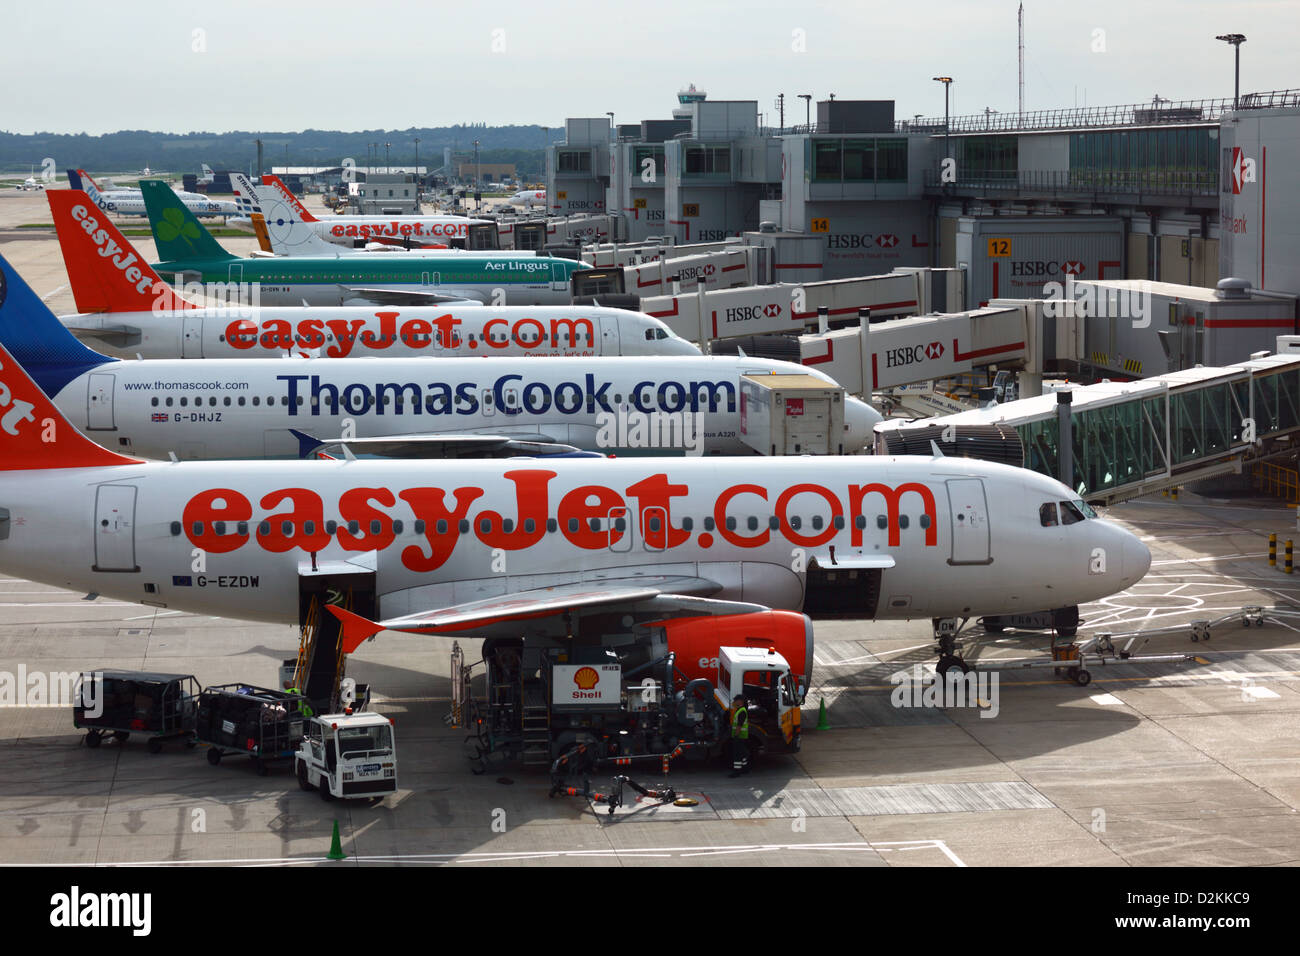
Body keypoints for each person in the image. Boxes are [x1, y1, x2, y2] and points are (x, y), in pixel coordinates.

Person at [729, 695, 749, 777]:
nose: (734, 702)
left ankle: (737, 772)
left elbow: (739, 725)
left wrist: (736, 736)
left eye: (735, 700)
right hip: (741, 736)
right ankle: (745, 768)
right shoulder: (740, 710)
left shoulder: (741, 711)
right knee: (742, 753)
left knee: (737, 754)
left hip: (739, 736)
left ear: (740, 701)